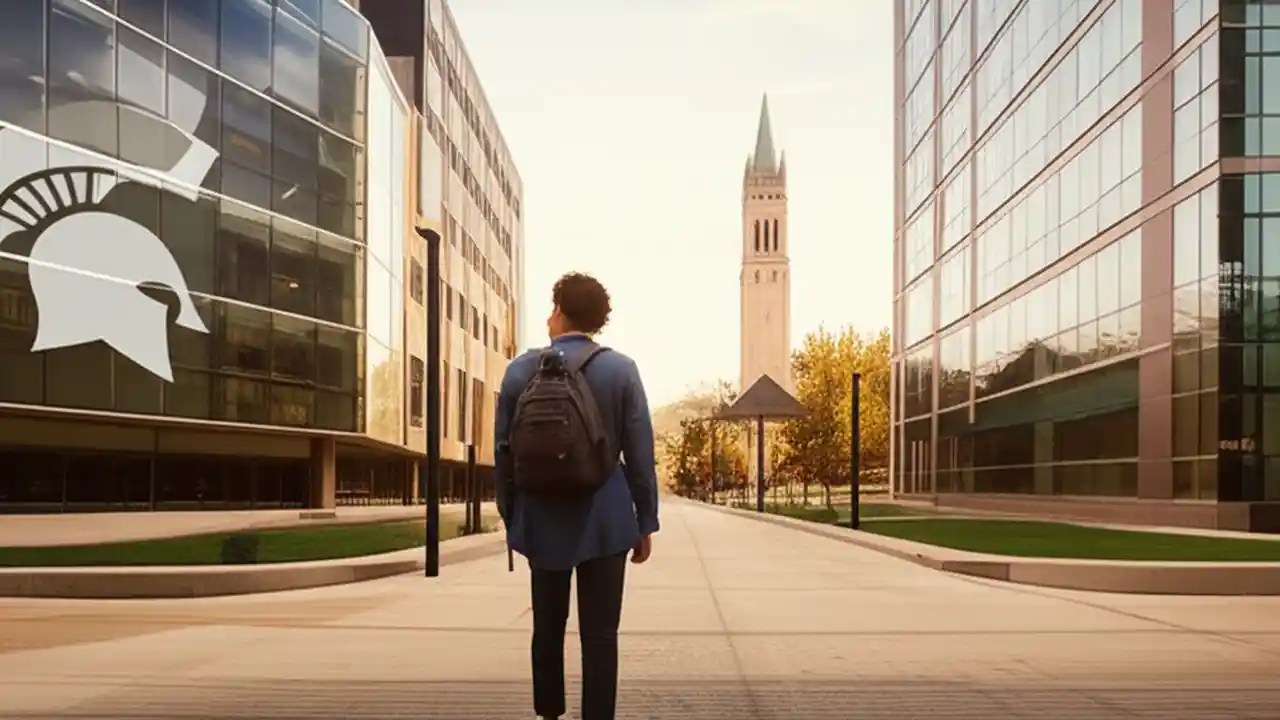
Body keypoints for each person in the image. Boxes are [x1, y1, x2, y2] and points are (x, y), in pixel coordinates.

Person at [495, 272, 660, 720]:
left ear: (560, 311)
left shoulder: (519, 371)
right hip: (606, 521)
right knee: (601, 634)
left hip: (541, 519)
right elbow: (641, 455)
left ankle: (549, 711)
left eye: (552, 308)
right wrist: (644, 521)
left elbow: (504, 454)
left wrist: (513, 519)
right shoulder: (621, 370)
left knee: (547, 627)